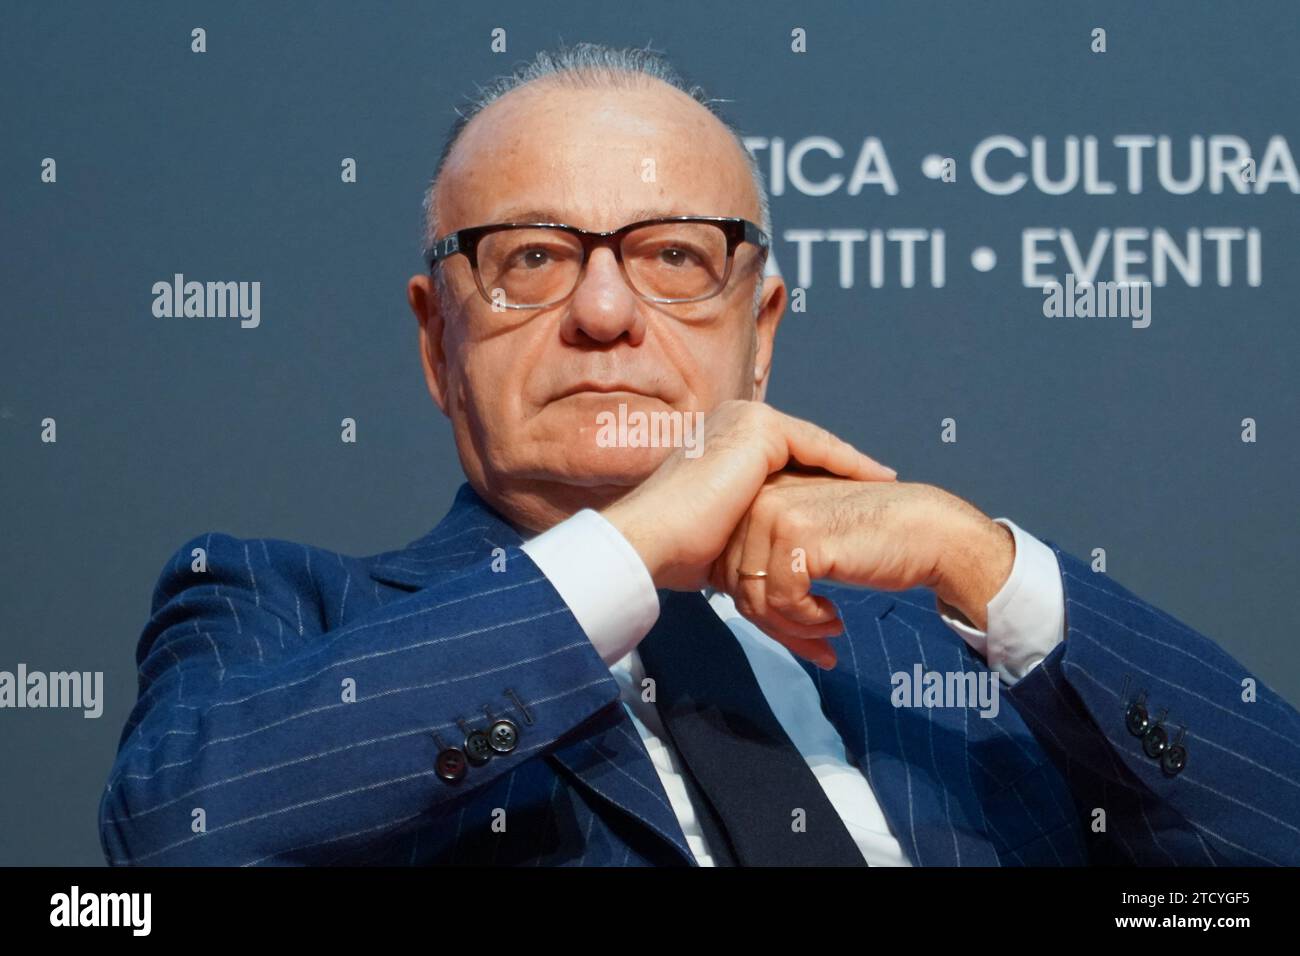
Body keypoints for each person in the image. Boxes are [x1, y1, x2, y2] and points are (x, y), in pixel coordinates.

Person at [98, 43, 1300, 867]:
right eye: (531, 257)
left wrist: (976, 558)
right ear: (436, 338)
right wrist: (623, 554)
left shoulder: (959, 646)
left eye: (673, 255)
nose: (607, 313)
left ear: (759, 329)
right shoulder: (279, 607)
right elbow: (182, 831)